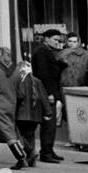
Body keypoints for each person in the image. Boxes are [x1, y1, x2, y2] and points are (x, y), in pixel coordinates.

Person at [30, 29, 67, 163]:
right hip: (46, 93)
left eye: (60, 41)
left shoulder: (47, 52)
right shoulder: (41, 52)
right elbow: (43, 74)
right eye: (56, 40)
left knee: (50, 124)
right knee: (48, 124)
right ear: (46, 38)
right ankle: (46, 152)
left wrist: (60, 64)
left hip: (49, 92)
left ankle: (49, 150)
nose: (58, 43)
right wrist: (50, 94)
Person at [14, 60, 48, 167]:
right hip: (35, 115)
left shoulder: (18, 81)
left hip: (21, 114)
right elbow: (43, 98)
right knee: (30, 135)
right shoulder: (37, 81)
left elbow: (18, 96)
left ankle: (30, 153)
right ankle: (31, 160)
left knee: (20, 135)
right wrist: (48, 112)